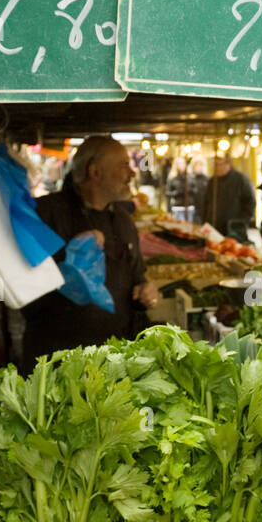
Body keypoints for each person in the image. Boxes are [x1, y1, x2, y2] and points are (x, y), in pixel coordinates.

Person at [21, 136, 159, 372]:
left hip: (114, 360)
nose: (132, 173)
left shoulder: (124, 221)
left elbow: (139, 277)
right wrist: (70, 254)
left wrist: (147, 290)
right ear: (95, 172)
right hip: (56, 360)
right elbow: (22, 287)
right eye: (123, 165)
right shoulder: (45, 213)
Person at [202, 152, 257, 242]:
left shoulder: (241, 180)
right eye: (215, 164)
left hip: (233, 230)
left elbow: (250, 203)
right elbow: (206, 203)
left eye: (219, 164)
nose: (216, 167)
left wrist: (240, 222)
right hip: (213, 228)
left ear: (228, 164)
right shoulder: (212, 181)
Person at [165, 156, 195, 220]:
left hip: (189, 206)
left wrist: (189, 190)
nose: (182, 165)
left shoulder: (190, 176)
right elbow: (167, 193)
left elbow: (195, 190)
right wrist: (176, 192)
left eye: (183, 163)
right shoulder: (172, 178)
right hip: (178, 207)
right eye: (180, 163)